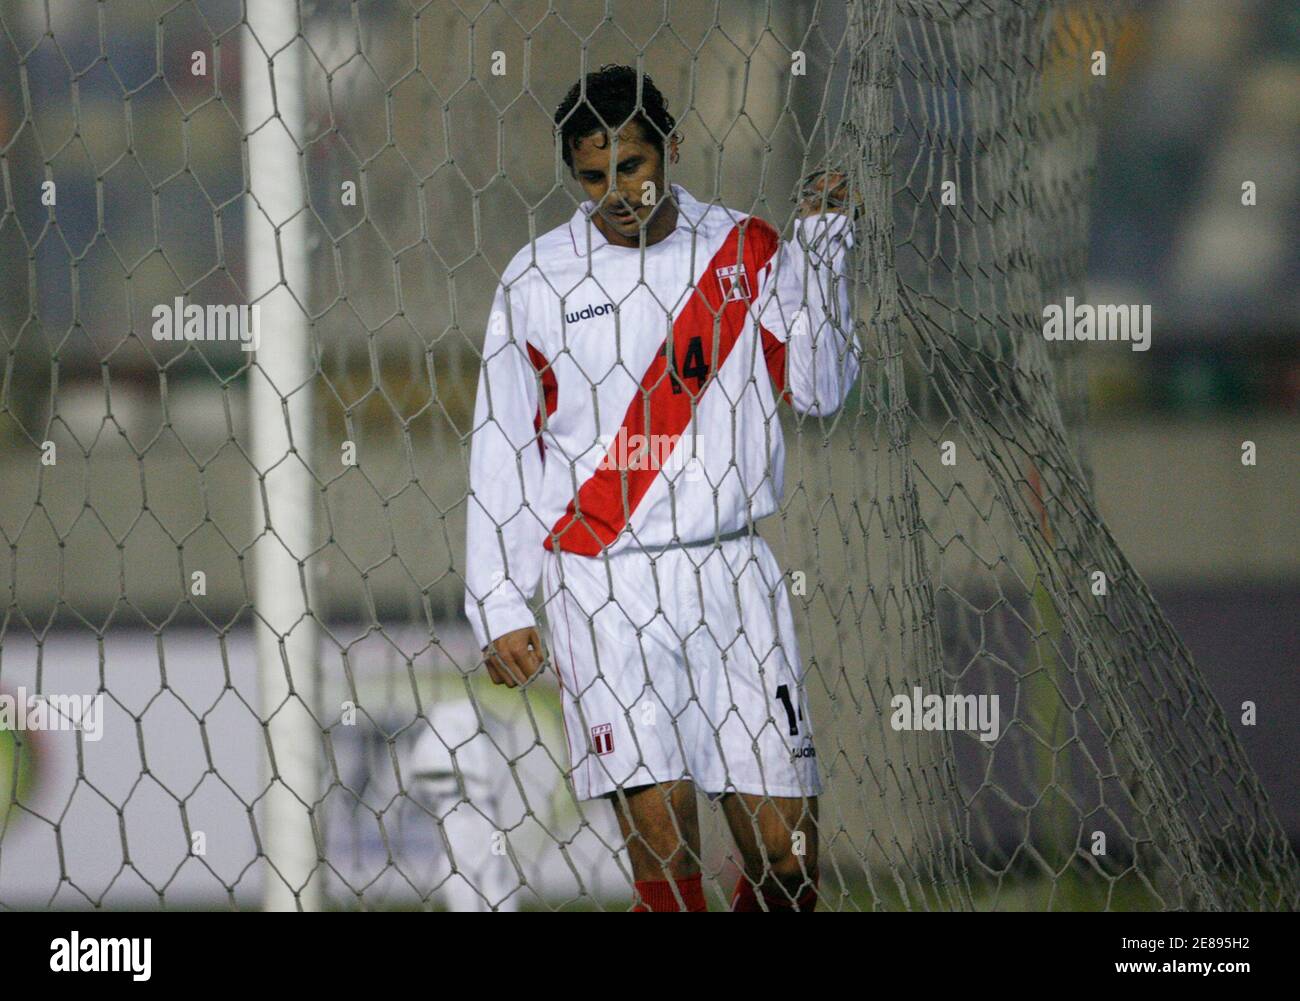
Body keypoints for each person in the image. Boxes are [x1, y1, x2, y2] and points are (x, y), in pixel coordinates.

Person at [464, 64, 858, 911]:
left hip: (733, 571)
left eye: (633, 167)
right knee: (664, 832)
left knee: (787, 865)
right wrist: (497, 598)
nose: (617, 192)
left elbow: (823, 388)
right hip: (603, 579)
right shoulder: (537, 280)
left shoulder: (745, 250)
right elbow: (502, 446)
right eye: (594, 176)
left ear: (671, 149)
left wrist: (823, 255)